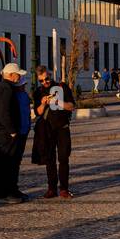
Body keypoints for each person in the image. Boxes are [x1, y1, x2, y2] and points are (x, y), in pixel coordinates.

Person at [0, 63, 30, 203]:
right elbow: (3, 112)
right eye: (18, 74)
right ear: (11, 75)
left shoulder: (0, 86)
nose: (19, 77)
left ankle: (10, 190)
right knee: (7, 163)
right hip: (5, 134)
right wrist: (12, 130)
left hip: (0, 132)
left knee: (4, 162)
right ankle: (4, 193)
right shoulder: (6, 88)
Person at [32, 65, 75, 199]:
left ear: (51, 76)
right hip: (47, 130)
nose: (45, 82)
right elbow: (37, 112)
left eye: (47, 79)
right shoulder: (38, 91)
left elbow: (71, 106)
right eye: (42, 81)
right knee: (49, 160)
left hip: (62, 128)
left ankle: (64, 188)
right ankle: (51, 188)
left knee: (63, 158)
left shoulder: (62, 87)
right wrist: (43, 103)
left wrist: (58, 102)